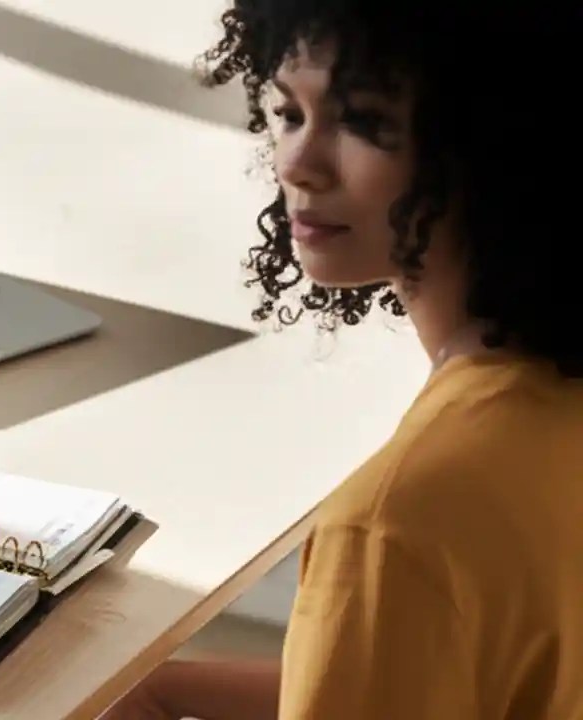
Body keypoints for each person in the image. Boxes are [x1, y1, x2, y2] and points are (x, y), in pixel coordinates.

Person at [103, 0, 583, 718]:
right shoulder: (543, 401)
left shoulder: (395, 524)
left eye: (363, 124)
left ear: (486, 145)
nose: (298, 164)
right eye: (288, 112)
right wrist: (164, 689)